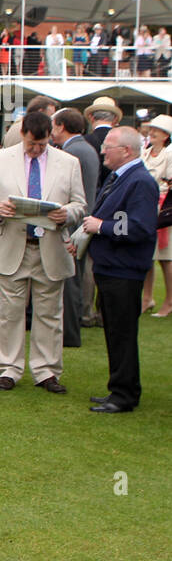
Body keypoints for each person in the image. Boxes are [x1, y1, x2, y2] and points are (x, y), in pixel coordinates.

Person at [0, 110, 86, 393]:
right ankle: (7, 369)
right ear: (22, 134)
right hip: (13, 246)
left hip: (50, 248)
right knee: (8, 313)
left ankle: (46, 371)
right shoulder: (1, 159)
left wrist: (67, 214)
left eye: (42, 145)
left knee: (50, 314)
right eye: (31, 145)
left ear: (50, 137)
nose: (36, 150)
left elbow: (80, 205)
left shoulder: (69, 162)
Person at [79, 127, 160, 412]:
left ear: (126, 150)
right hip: (111, 268)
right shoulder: (121, 178)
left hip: (124, 271)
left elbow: (140, 226)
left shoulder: (140, 182)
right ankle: (118, 388)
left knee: (122, 334)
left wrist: (101, 227)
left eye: (108, 147)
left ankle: (124, 394)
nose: (102, 151)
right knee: (114, 332)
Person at [51, 108, 101, 347]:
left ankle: (69, 333)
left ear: (61, 126)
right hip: (81, 221)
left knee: (69, 278)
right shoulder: (83, 148)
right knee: (74, 277)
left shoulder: (74, 151)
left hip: (74, 224)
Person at [139, 114, 172, 316]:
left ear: (165, 135)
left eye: (156, 131)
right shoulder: (145, 152)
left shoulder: (170, 154)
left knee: (166, 258)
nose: (151, 133)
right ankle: (147, 298)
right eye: (150, 130)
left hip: (164, 210)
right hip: (146, 207)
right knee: (148, 256)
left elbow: (169, 183)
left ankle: (169, 301)